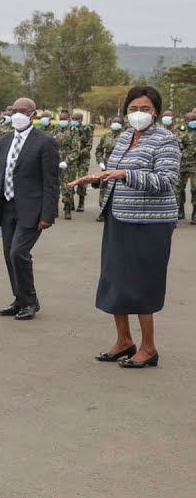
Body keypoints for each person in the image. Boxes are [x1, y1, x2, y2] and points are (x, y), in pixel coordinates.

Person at [71, 85, 181, 368]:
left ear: (155, 111)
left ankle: (149, 348)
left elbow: (167, 180)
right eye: (133, 109)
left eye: (144, 109)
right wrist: (97, 178)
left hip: (150, 223)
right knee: (115, 279)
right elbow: (116, 173)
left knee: (142, 283)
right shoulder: (124, 138)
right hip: (119, 217)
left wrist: (125, 174)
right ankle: (123, 341)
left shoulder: (165, 140)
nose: (138, 114)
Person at [0, 97, 58, 321]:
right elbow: (0, 176)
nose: (17, 114)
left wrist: (48, 214)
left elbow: (51, 181)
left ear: (33, 114)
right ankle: (19, 299)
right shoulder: (4, 140)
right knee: (9, 256)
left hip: (32, 208)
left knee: (18, 253)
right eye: (14, 110)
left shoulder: (44, 142)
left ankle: (30, 302)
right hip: (7, 206)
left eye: (23, 111)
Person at [52, 109, 84, 219]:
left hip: (68, 165)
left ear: (68, 120)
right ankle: (54, 210)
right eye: (60, 119)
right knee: (54, 187)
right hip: (55, 164)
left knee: (67, 187)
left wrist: (67, 161)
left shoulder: (73, 131)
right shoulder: (54, 131)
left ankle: (67, 209)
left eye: (64, 119)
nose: (62, 121)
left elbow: (76, 150)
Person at [94, 116, 125, 221]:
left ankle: (118, 212)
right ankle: (103, 211)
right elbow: (99, 150)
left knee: (120, 189)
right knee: (104, 188)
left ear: (122, 124)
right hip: (107, 164)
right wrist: (101, 161)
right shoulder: (106, 136)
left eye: (118, 122)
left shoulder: (126, 136)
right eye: (113, 122)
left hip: (121, 165)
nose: (115, 124)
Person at [176, 111, 196, 224]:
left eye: (195, 120)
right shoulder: (180, 131)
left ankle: (195, 213)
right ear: (186, 121)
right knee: (178, 189)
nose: (193, 122)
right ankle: (180, 210)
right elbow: (177, 145)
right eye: (191, 120)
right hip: (181, 165)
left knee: (195, 189)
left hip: (194, 165)